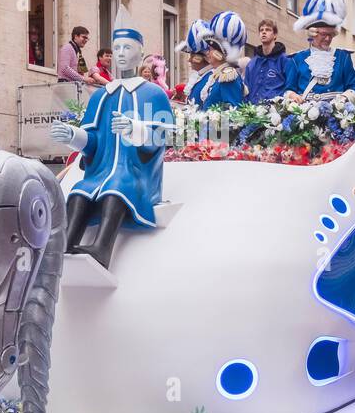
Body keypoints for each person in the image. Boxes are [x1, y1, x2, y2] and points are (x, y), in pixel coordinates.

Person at [50, 27, 173, 269]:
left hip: (137, 171)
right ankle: (65, 242)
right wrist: (73, 135)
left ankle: (102, 247)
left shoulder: (154, 94)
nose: (121, 53)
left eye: (127, 47)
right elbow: (93, 140)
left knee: (117, 185)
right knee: (80, 189)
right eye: (116, 48)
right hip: (102, 170)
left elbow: (164, 134)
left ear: (140, 53)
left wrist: (135, 130)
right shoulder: (101, 95)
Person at [284, 0, 355, 101]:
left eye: (331, 35)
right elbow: (289, 89)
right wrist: (293, 96)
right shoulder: (297, 59)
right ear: (313, 33)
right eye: (324, 34)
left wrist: (344, 98)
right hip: (305, 114)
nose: (328, 39)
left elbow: (354, 86)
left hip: (337, 115)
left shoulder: (343, 57)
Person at [188, 38, 246, 109]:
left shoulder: (227, 74)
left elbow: (232, 109)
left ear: (219, 54)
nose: (207, 53)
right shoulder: (216, 75)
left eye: (210, 50)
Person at [242, 17, 289, 101]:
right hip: (252, 110)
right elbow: (246, 90)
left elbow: (290, 87)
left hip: (275, 110)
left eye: (268, 30)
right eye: (261, 30)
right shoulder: (252, 64)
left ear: (275, 35)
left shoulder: (284, 60)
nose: (264, 32)